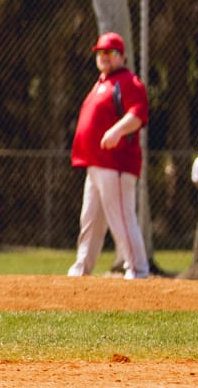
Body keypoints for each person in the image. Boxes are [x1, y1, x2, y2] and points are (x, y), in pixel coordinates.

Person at [68, 31, 151, 280]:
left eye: (111, 52)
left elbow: (138, 114)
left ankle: (138, 270)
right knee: (90, 219)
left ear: (122, 56)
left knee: (122, 218)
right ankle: (82, 268)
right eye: (101, 52)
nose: (105, 56)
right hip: (95, 163)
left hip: (116, 163)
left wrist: (117, 130)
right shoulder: (102, 83)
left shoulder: (128, 82)